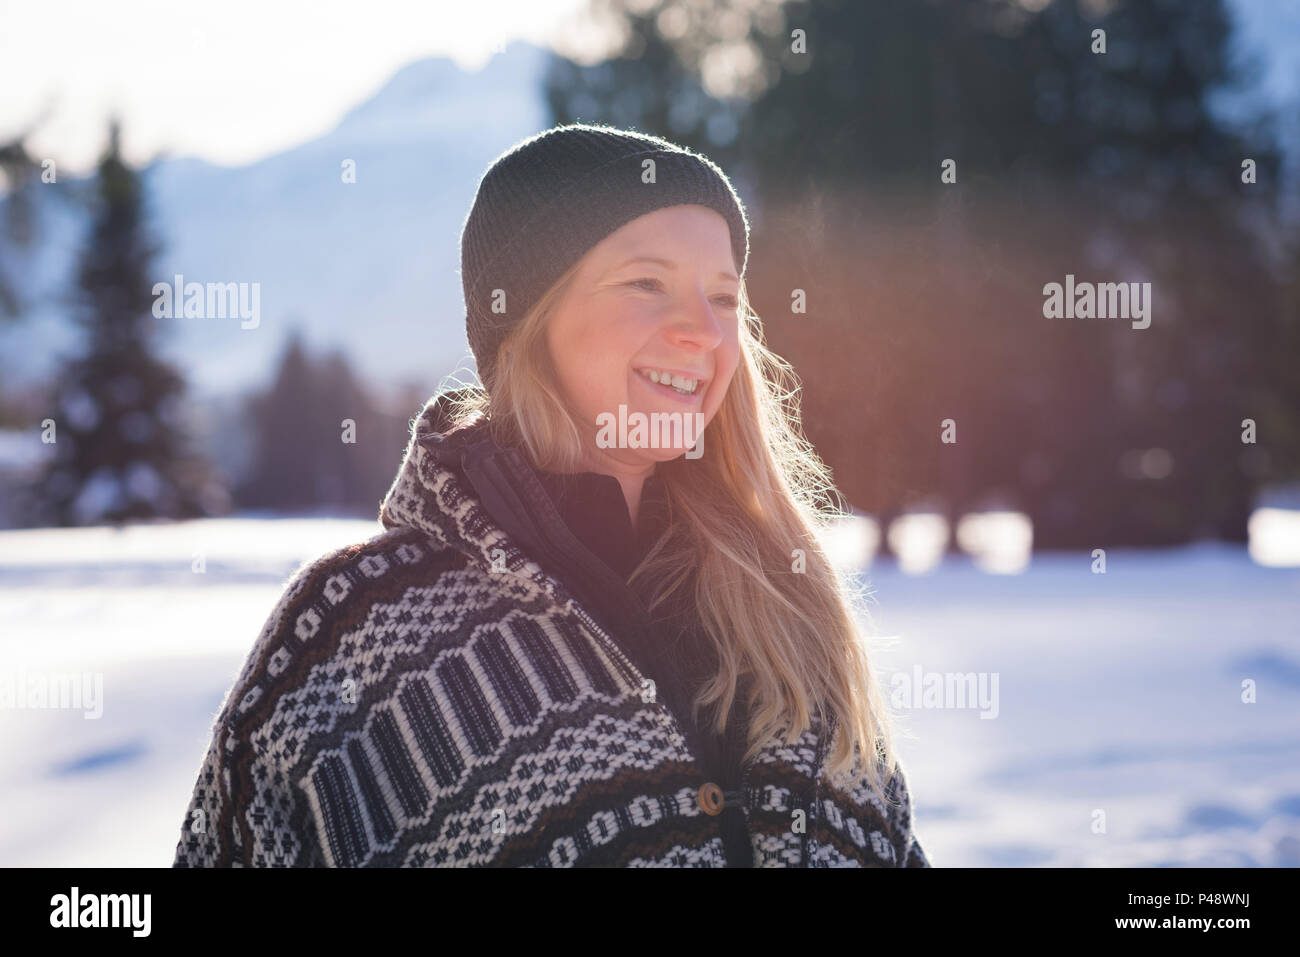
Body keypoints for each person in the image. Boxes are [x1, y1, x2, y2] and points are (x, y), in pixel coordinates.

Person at [172, 123, 930, 867]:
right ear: (528, 321)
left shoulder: (789, 614)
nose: (702, 330)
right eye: (646, 283)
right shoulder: (350, 640)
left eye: (724, 296)